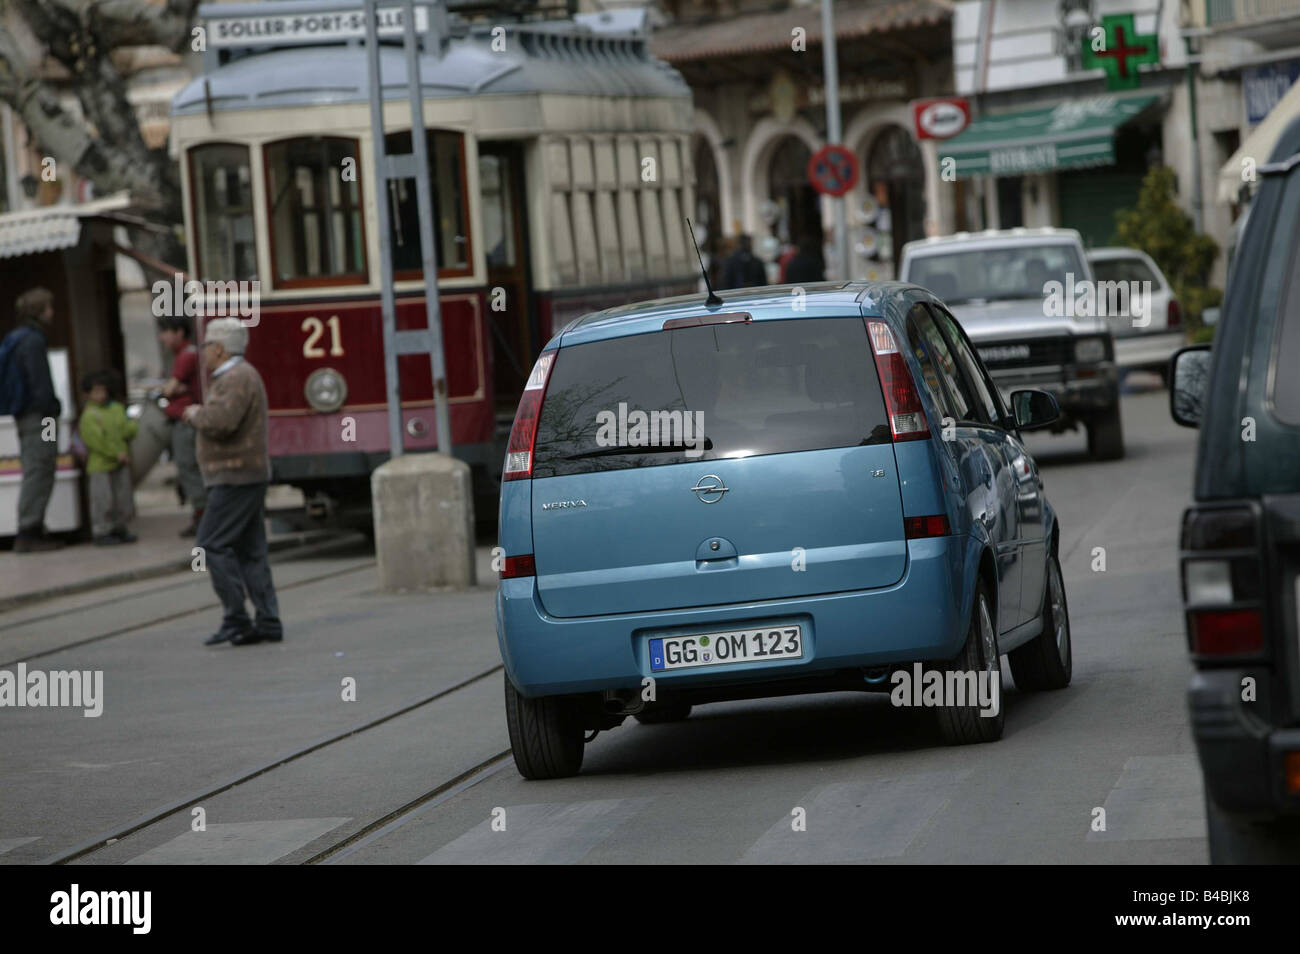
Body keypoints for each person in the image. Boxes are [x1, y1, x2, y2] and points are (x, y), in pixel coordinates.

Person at [184, 318, 282, 647]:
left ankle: (236, 617)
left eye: (206, 347)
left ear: (220, 349)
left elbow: (221, 421)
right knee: (250, 550)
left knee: (210, 544)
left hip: (234, 476)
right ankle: (267, 620)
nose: (203, 354)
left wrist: (194, 413)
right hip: (242, 475)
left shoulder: (236, 378)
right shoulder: (239, 376)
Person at [2, 288, 64, 552]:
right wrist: (53, 407)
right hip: (41, 417)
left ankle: (35, 526)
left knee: (41, 464)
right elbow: (40, 383)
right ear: (39, 310)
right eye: (48, 307)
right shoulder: (33, 340)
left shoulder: (18, 338)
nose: (52, 312)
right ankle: (29, 531)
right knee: (41, 466)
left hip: (29, 416)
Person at [157, 316, 206, 536]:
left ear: (179, 333)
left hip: (186, 422)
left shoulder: (187, 356)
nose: (162, 337)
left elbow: (168, 390)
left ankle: (203, 517)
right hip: (186, 420)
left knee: (189, 468)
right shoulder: (185, 354)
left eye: (166, 332)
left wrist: (173, 390)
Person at [79, 371, 139, 546]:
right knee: (102, 500)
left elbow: (127, 430)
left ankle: (119, 528)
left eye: (103, 391)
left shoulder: (117, 409)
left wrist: (133, 424)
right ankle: (101, 531)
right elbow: (96, 440)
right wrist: (116, 453)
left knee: (122, 498)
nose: (101, 395)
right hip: (100, 464)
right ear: (87, 394)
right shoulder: (90, 415)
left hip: (121, 462)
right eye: (96, 391)